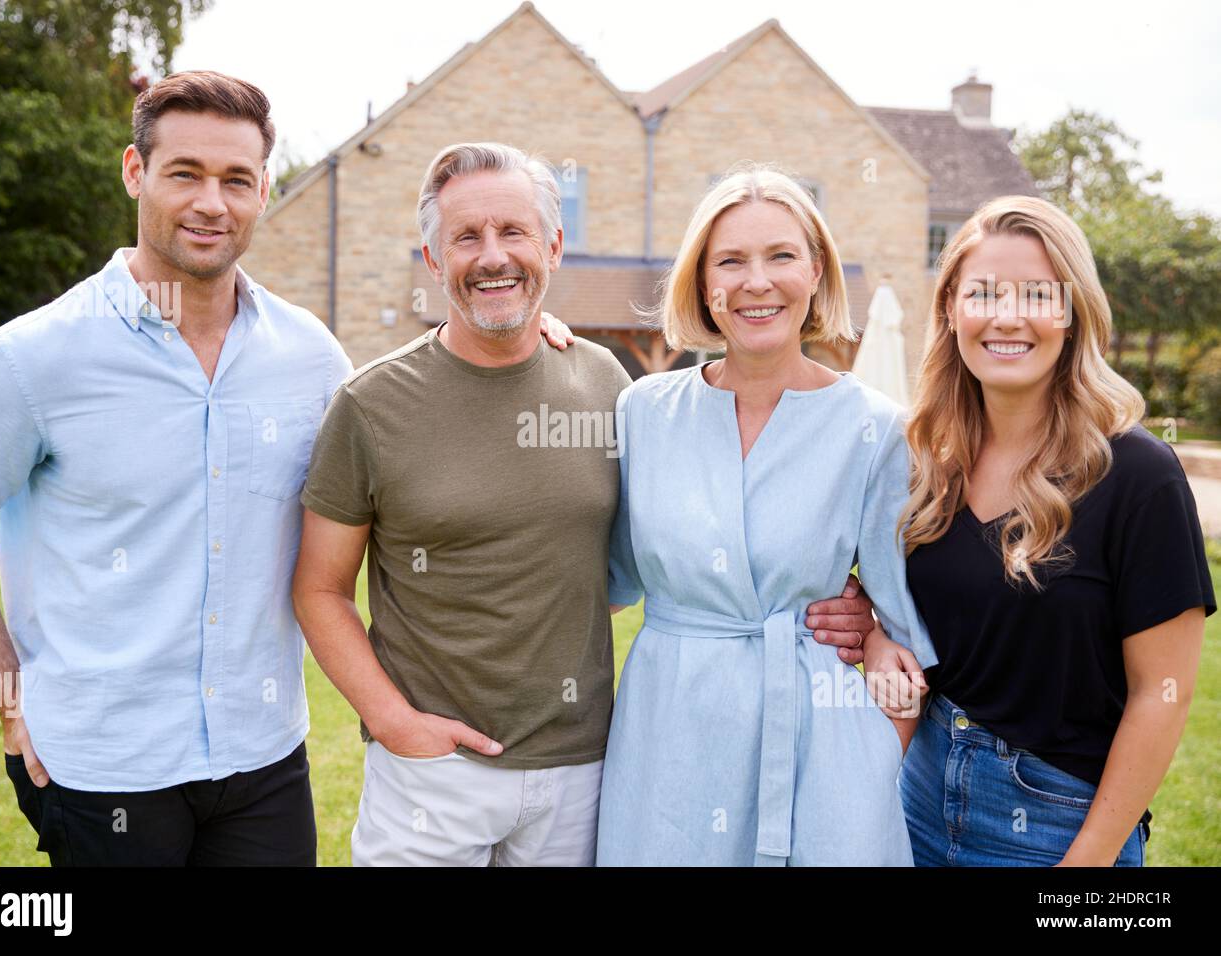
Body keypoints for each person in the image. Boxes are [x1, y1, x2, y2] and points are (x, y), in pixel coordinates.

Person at [292, 144, 879, 867]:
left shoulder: (605, 384)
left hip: (583, 768)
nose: (491, 256)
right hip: (432, 777)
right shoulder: (372, 404)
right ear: (433, 257)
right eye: (466, 237)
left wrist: (849, 602)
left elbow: (636, 563)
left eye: (514, 233)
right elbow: (319, 588)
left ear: (554, 245)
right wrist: (395, 723)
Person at [0, 70, 350, 866]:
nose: (211, 203)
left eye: (237, 180)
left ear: (263, 190)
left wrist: (518, 338)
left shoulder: (311, 358)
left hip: (264, 759)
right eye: (184, 173)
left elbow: (393, 455)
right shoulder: (36, 359)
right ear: (134, 171)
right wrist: (10, 693)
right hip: (101, 768)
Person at [595, 164, 937, 866]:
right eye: (731, 260)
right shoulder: (645, 412)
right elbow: (606, 579)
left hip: (821, 751)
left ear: (815, 270)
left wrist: (869, 760)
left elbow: (906, 633)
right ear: (703, 282)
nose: (757, 281)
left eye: (780, 255)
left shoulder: (875, 428)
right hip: (668, 744)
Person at [864, 195, 1215, 866]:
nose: (1007, 315)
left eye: (1036, 293)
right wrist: (880, 638)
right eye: (984, 292)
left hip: (1057, 820)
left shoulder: (1140, 475)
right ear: (950, 309)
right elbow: (898, 605)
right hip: (916, 796)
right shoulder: (927, 463)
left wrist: (1086, 861)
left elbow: (1161, 697)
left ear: (1073, 312)